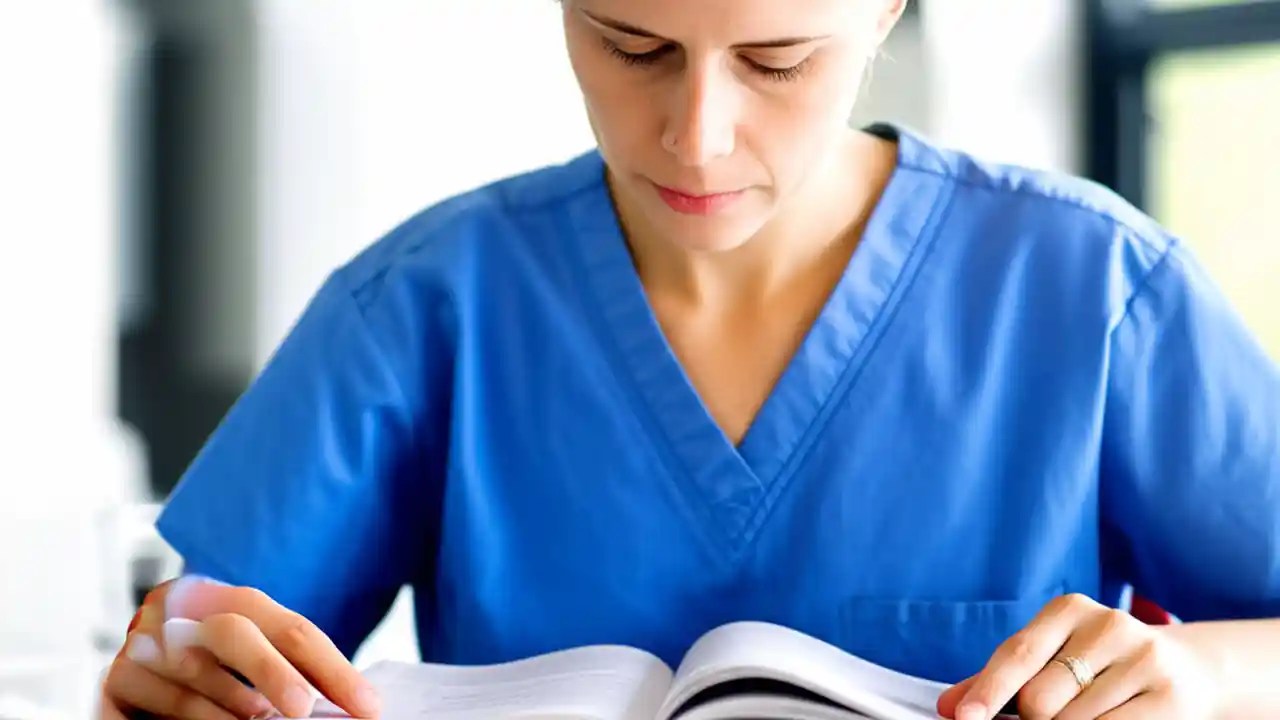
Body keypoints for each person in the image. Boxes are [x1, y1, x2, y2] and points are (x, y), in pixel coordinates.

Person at [101, 0, 1280, 718]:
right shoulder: (420, 309)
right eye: (631, 45)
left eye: (774, 61)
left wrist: (1204, 683)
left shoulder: (1094, 291)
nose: (694, 135)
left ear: (880, 10)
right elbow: (200, 637)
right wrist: (174, 666)